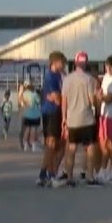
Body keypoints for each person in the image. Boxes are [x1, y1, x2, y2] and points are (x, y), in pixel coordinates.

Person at [61, 52, 100, 187]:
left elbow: (64, 101)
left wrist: (64, 118)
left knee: (71, 148)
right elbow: (92, 101)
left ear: (75, 63)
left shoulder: (67, 79)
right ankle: (90, 176)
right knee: (90, 148)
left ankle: (70, 178)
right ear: (86, 63)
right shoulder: (90, 80)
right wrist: (97, 100)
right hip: (87, 118)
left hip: (72, 119)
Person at [38, 52, 66, 187]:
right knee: (51, 143)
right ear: (54, 62)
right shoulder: (50, 76)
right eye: (62, 62)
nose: (64, 65)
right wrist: (59, 98)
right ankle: (49, 173)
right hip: (51, 112)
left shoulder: (60, 75)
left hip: (55, 111)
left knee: (58, 144)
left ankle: (46, 172)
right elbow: (57, 98)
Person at [19, 82, 41, 152]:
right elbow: (38, 101)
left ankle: (25, 144)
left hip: (27, 113)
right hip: (34, 114)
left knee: (27, 129)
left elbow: (21, 102)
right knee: (33, 129)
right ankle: (33, 145)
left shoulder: (24, 94)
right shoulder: (34, 94)